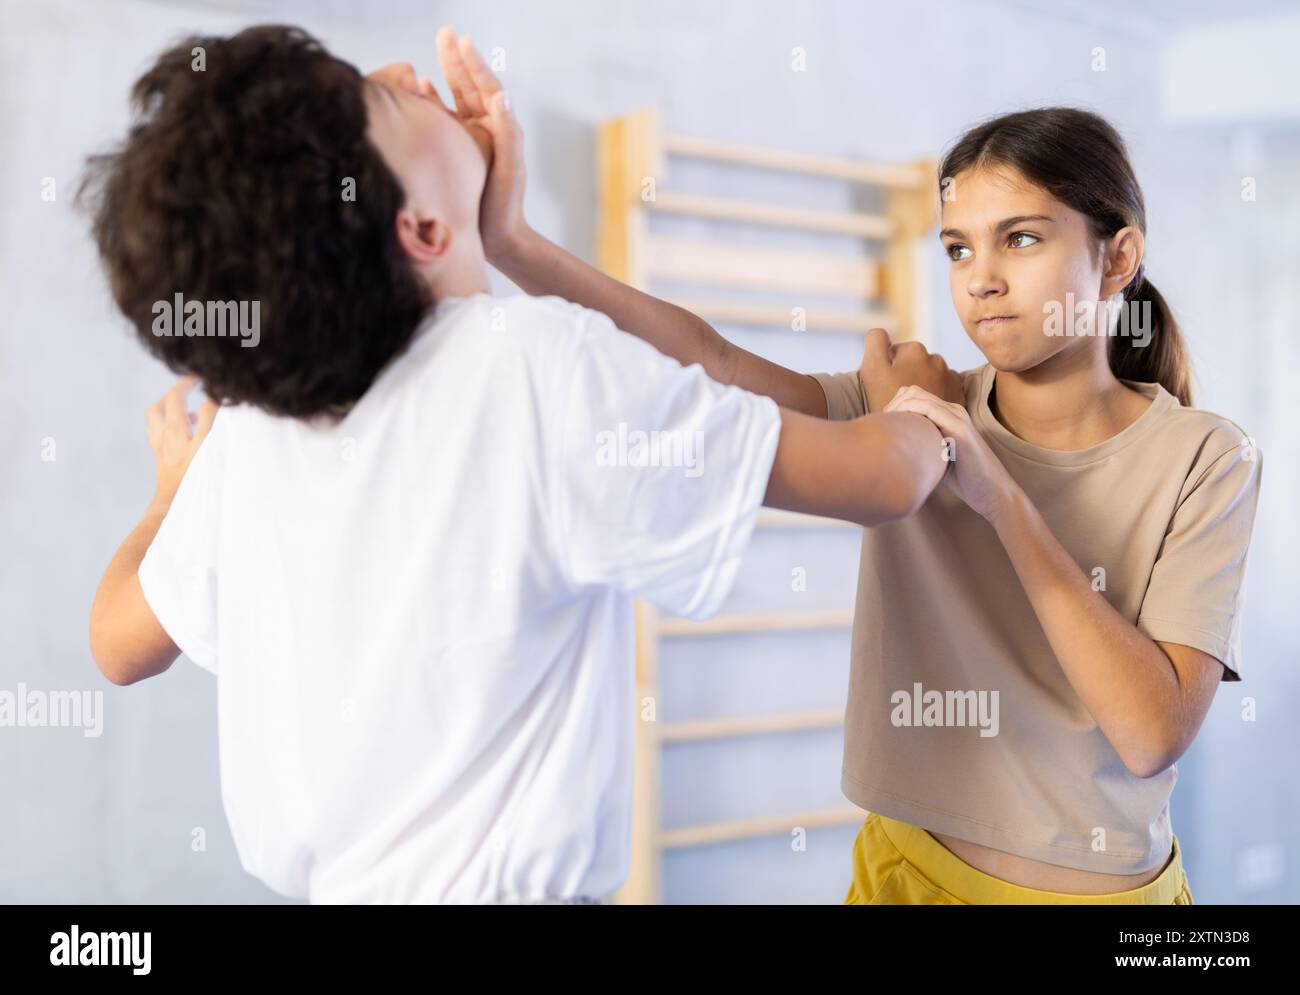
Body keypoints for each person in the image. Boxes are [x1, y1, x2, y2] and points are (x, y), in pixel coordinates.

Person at [83, 24, 947, 904]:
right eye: (382, 95)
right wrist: (915, 402)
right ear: (419, 225)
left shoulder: (258, 420)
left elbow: (116, 643)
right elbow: (885, 478)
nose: (403, 71)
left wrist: (171, 493)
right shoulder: (533, 369)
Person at [443, 26, 1264, 904]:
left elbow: (1148, 731)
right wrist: (513, 244)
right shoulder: (911, 401)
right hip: (899, 873)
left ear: (1120, 257)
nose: (980, 277)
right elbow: (707, 359)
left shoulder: (1204, 457)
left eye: (1020, 238)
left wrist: (996, 493)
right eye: (957, 247)